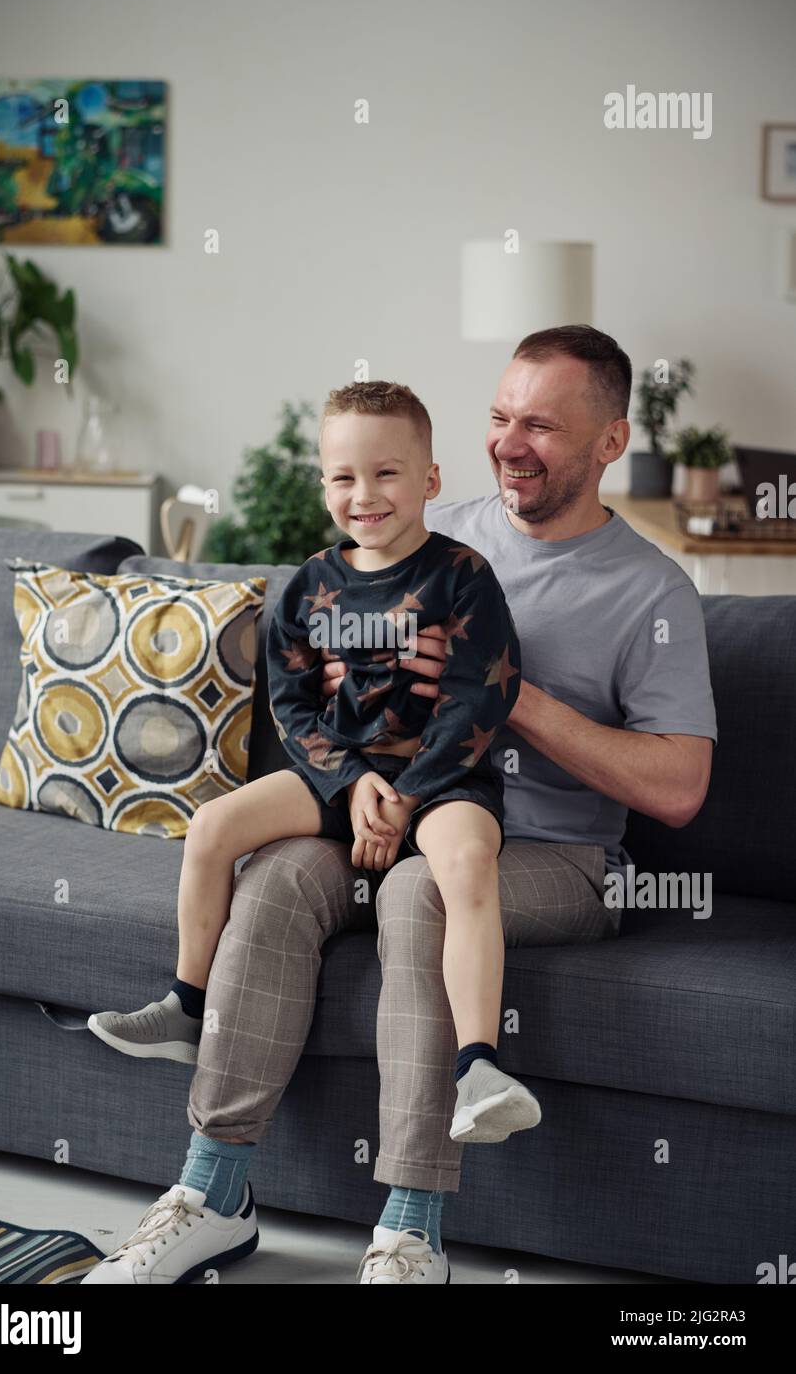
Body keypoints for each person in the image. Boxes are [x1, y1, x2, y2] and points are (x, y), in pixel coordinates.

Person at [83, 325, 717, 1286]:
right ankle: (212, 1191)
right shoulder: (422, 528)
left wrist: (512, 693)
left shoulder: (652, 590)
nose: (510, 442)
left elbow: (679, 788)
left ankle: (411, 1230)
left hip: (558, 855)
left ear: (611, 442)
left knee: (425, 889)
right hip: (385, 809)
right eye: (501, 417)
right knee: (280, 873)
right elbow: (314, 671)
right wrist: (352, 773)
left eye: (542, 425)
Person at [88, 380, 533, 1156]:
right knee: (214, 825)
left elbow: (481, 701)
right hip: (340, 777)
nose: (365, 494)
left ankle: (478, 1068)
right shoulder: (309, 584)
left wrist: (405, 794)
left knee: (466, 860)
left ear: (430, 479)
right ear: (323, 484)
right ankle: (189, 1006)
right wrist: (352, 782)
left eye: (387, 473)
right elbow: (292, 710)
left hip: (441, 781)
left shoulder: (462, 577)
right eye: (343, 476)